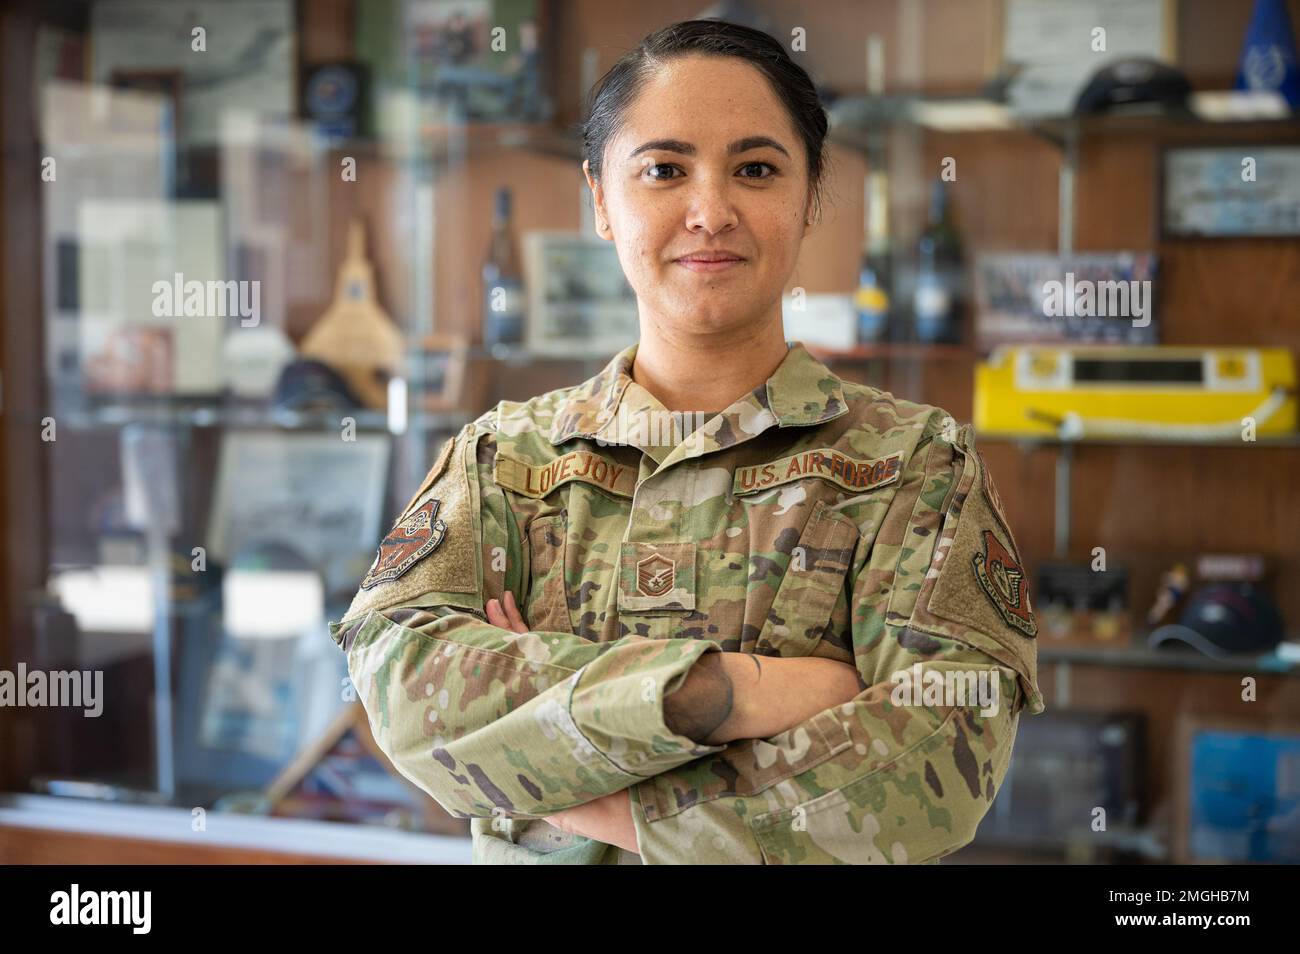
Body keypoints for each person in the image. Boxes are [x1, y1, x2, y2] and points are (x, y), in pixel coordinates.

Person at [328, 18, 1044, 865]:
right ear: (600, 198)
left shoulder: (912, 467)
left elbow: (938, 763)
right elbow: (404, 687)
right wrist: (726, 694)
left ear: (809, 194)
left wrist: (594, 797)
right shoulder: (506, 461)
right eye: (664, 170)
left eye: (756, 169)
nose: (711, 212)